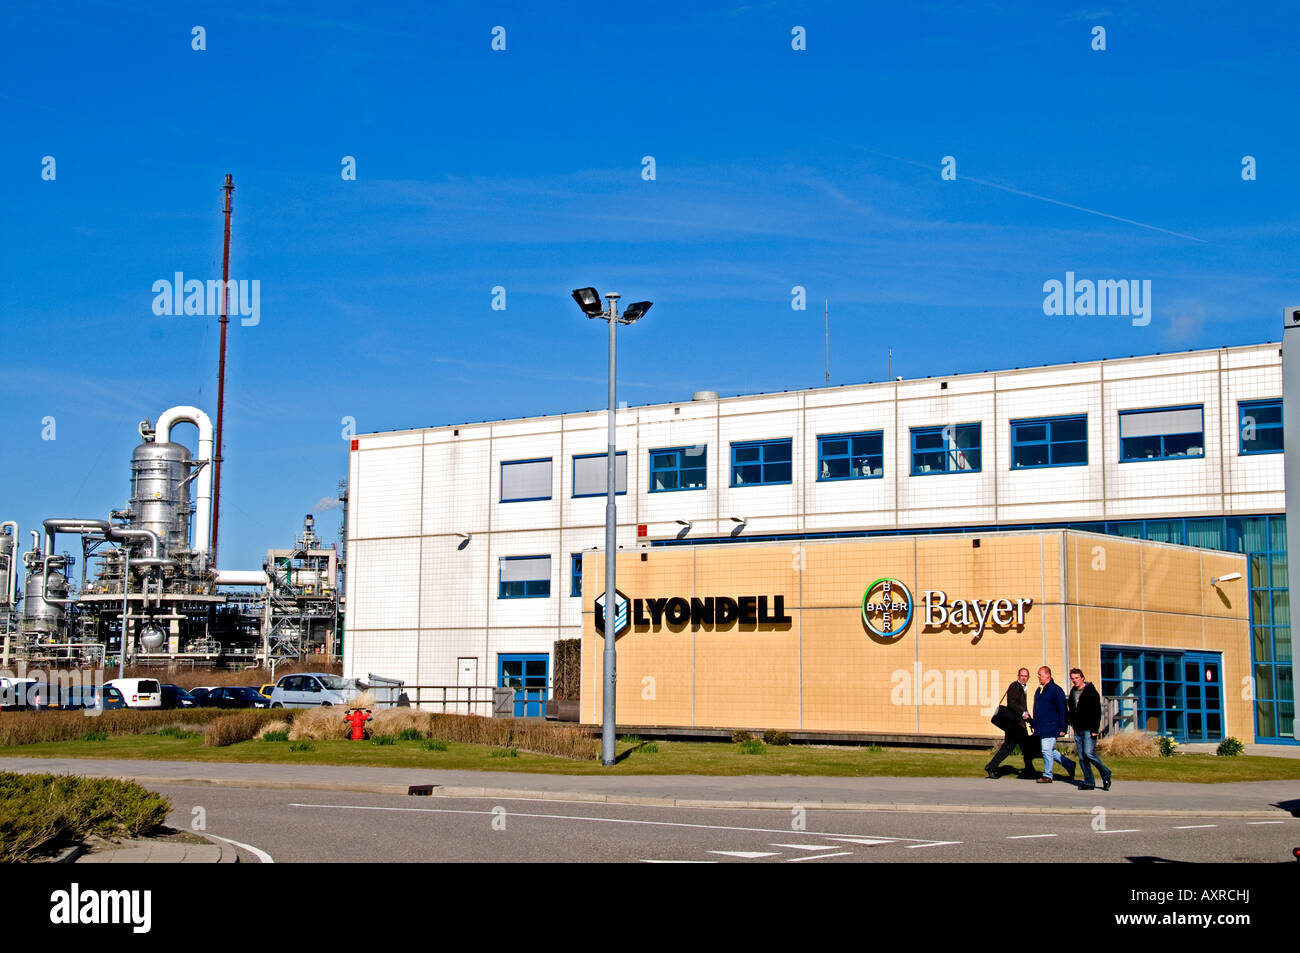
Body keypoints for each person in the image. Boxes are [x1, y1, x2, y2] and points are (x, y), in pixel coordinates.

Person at [985, 668, 1037, 778]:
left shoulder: (1022, 688)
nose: (1024, 678)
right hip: (1015, 724)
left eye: (1026, 676)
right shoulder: (1014, 686)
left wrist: (1029, 720)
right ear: (1018, 676)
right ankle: (1029, 770)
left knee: (1008, 747)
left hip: (1015, 724)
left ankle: (991, 767)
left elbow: (1023, 707)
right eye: (1022, 675)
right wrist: (1023, 714)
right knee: (1025, 747)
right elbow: (1012, 703)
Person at [1066, 667, 1112, 791]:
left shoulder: (1091, 691)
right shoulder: (1073, 692)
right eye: (1072, 679)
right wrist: (1070, 722)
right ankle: (1089, 782)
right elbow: (1071, 709)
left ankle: (1106, 773)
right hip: (1078, 728)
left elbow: (1096, 711)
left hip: (1089, 728)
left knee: (1088, 753)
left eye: (1076, 678)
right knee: (1082, 757)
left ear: (1082, 678)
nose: (1074, 681)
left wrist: (1095, 729)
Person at [1031, 666, 1076, 784]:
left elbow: (1062, 710)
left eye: (1040, 674)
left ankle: (1047, 775)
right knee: (1048, 750)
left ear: (1047, 675)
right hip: (1041, 726)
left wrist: (1063, 727)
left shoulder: (1056, 690)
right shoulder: (1039, 690)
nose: (1038, 676)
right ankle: (1069, 765)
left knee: (1046, 750)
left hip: (1051, 726)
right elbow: (1037, 709)